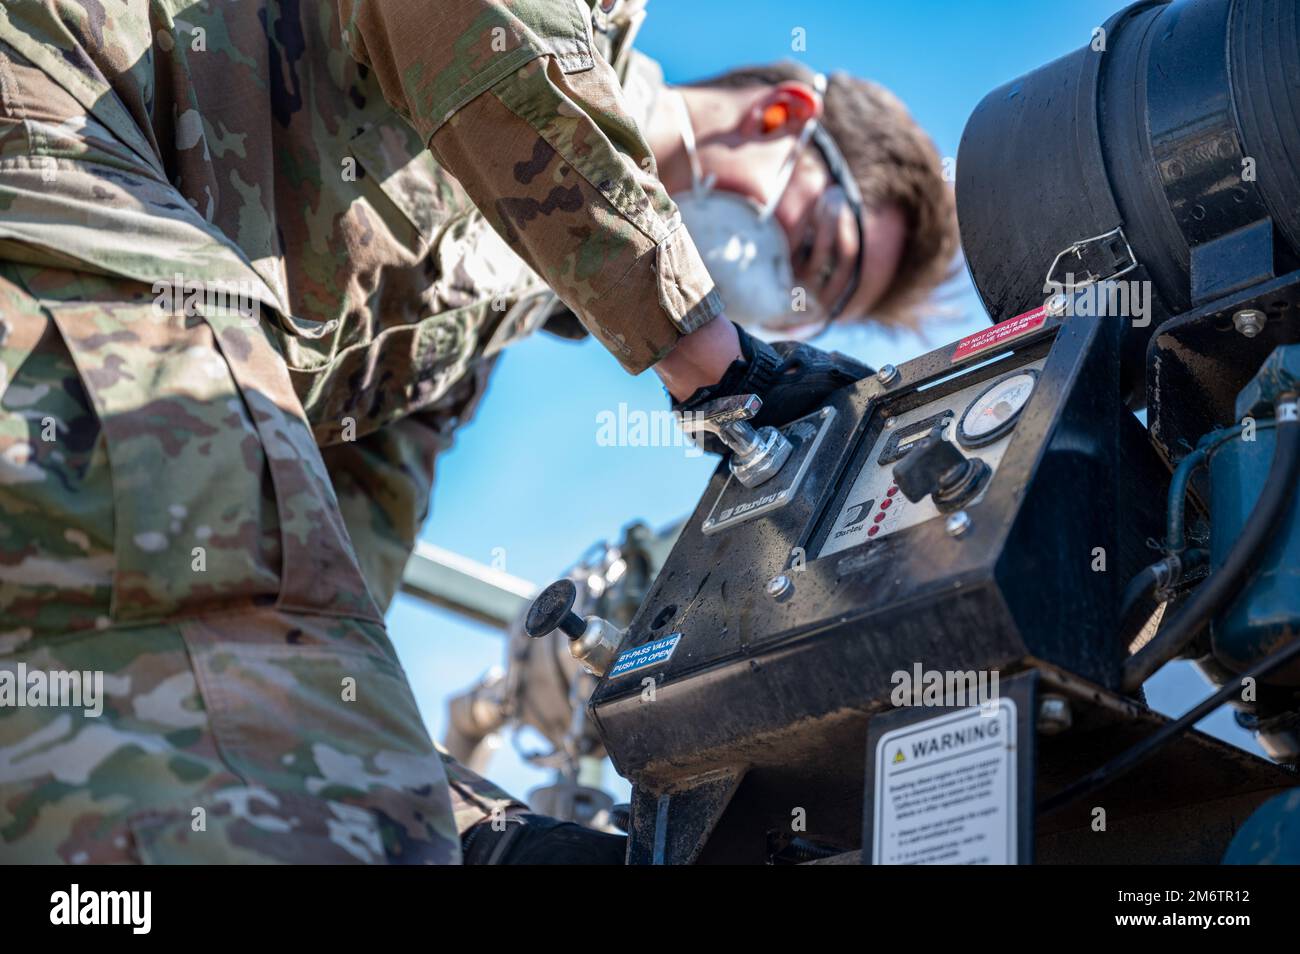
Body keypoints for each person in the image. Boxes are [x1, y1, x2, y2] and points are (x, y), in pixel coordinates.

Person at [0, 0, 954, 863]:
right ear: (780, 116)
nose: (786, 303)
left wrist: (486, 840)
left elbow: (298, 648)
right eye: (818, 253)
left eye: (813, 315)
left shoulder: (460, 342)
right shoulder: (593, 20)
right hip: (64, 114)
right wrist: (713, 356)